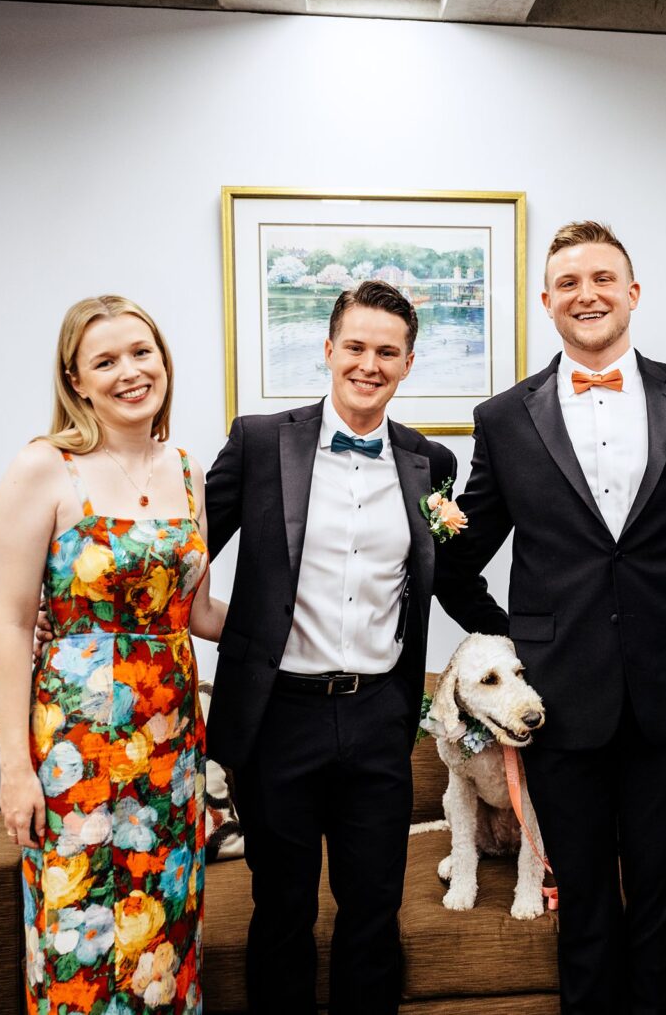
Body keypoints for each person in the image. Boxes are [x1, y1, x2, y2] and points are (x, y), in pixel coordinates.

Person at [445, 220, 666, 1014]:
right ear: (546, 301)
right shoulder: (504, 418)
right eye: (568, 283)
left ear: (633, 293)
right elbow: (460, 554)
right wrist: (512, 641)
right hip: (559, 700)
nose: (587, 294)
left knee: (665, 892)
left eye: (603, 278)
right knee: (586, 905)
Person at [202, 279, 506, 1015]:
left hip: (377, 718)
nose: (370, 364)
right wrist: (86, 615)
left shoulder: (430, 464)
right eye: (357, 347)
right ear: (330, 349)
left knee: (373, 914)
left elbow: (447, 582)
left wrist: (529, 641)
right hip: (279, 719)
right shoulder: (260, 440)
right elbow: (179, 556)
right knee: (282, 913)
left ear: (408, 364)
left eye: (388, 352)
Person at [0, 294, 226, 1015]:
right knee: (78, 943)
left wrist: (309, 624)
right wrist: (15, 770)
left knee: (166, 939)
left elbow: (202, 612)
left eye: (141, 352)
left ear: (163, 361)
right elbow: (7, 625)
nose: (130, 371)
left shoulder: (187, 470)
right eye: (106, 360)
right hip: (75, 755)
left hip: (172, 752)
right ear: (76, 378)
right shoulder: (43, 467)